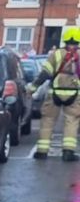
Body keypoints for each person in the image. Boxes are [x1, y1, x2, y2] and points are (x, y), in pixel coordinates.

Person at [28, 26, 80, 161]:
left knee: (48, 120)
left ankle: (42, 151)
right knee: (72, 122)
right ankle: (68, 152)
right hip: (74, 94)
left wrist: (33, 88)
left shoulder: (56, 54)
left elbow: (44, 74)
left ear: (65, 40)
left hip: (54, 93)